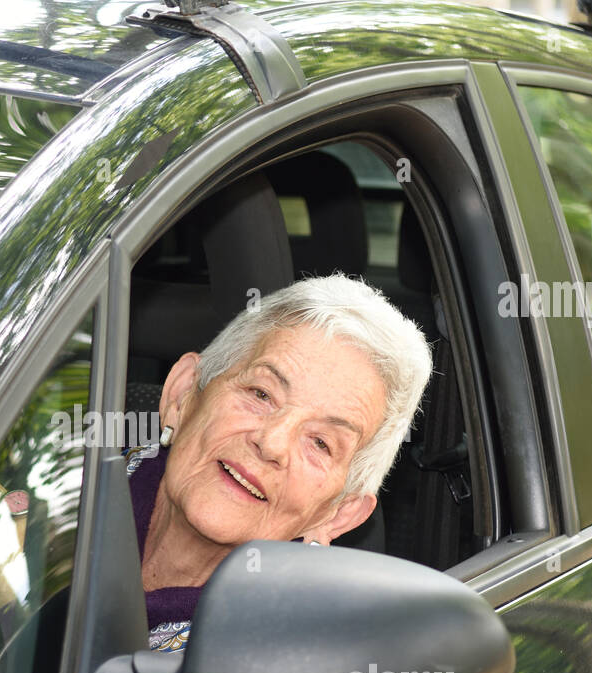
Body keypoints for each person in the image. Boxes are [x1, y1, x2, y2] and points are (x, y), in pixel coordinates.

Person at [125, 274, 433, 652]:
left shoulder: (298, 657)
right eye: (261, 393)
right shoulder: (57, 486)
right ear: (183, 392)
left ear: (340, 513)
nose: (271, 444)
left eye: (320, 443)